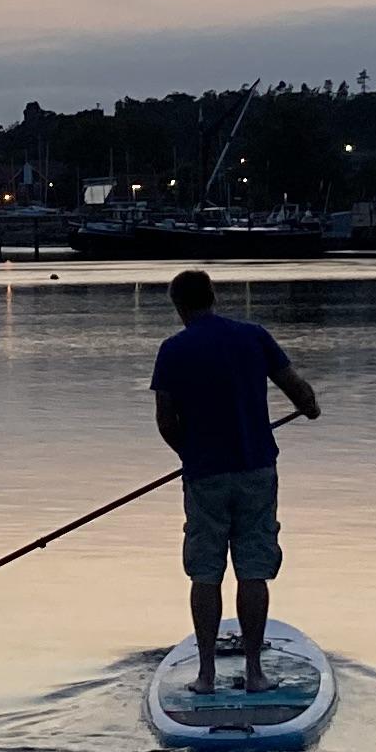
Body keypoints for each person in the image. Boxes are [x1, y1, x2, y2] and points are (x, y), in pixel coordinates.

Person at [149, 267, 319, 693]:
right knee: (253, 570)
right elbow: (297, 390)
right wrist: (311, 406)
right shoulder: (253, 336)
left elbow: (166, 422)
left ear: (179, 306)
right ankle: (255, 674)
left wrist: (190, 455)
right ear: (213, 297)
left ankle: (206, 676)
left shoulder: (173, 350)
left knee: (205, 573)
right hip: (257, 469)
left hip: (205, 476)